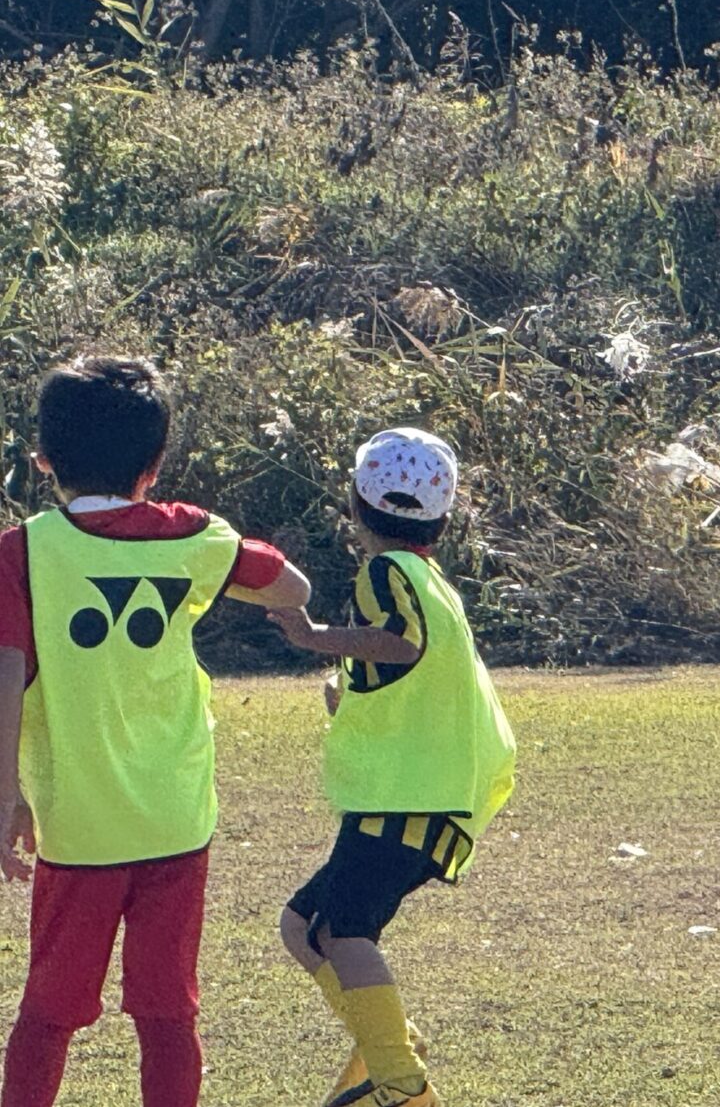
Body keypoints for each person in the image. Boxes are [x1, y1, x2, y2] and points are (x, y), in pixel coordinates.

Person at [0, 356, 312, 1107]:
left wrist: (7, 795)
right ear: (156, 461)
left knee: (47, 1012)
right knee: (169, 1012)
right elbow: (291, 585)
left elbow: (6, 678)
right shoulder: (194, 536)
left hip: (79, 825)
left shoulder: (23, 551)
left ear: (43, 460)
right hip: (176, 817)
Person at [268, 427, 516, 1107]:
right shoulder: (429, 579)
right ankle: (388, 1047)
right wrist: (349, 695)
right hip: (417, 793)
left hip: (407, 795)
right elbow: (408, 669)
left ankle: (404, 1086)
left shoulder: (386, 572)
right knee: (304, 926)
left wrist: (313, 636)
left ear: (355, 501)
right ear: (442, 518)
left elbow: (400, 645)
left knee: (343, 929)